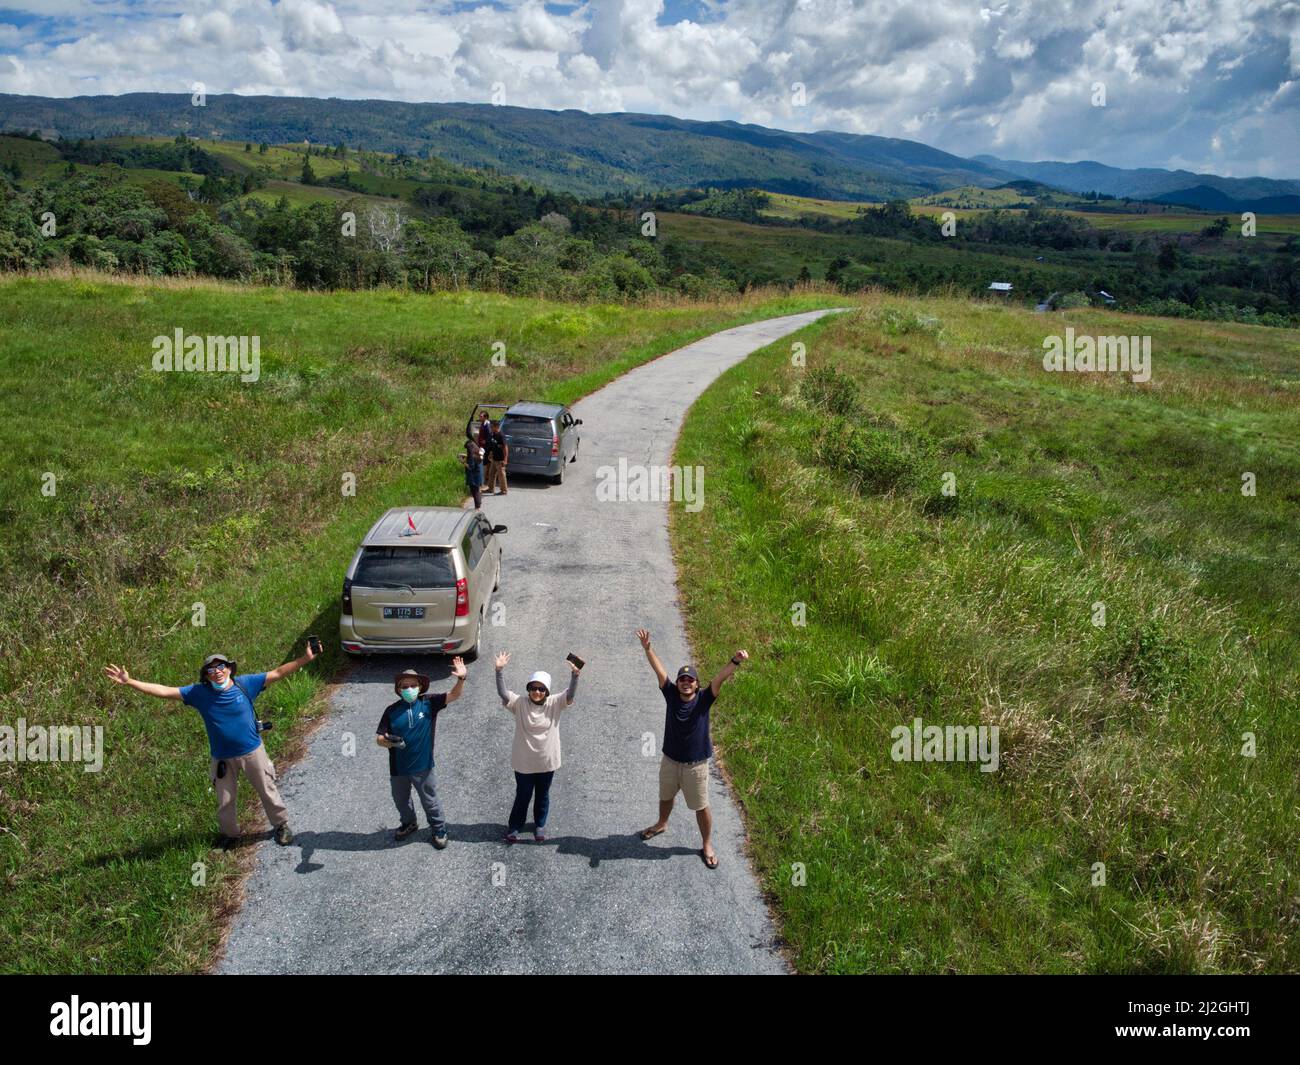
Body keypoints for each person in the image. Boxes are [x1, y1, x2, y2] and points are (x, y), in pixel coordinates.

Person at [103, 645, 318, 848]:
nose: (217, 672)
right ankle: (230, 836)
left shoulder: (246, 684)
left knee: (267, 790)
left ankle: (281, 826)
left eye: (221, 666)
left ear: (229, 669)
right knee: (225, 800)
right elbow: (164, 691)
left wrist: (305, 658)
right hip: (222, 757)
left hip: (252, 751)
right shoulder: (199, 694)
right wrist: (130, 682)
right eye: (211, 669)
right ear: (206, 675)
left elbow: (278, 673)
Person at [634, 629, 747, 869]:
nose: (686, 683)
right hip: (670, 760)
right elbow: (659, 670)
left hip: (695, 766)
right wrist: (648, 648)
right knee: (665, 797)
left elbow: (719, 679)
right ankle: (661, 823)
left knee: (700, 805)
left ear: (697, 685)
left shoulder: (705, 698)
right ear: (677, 684)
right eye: (682, 680)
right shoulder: (671, 695)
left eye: (690, 680)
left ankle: (706, 843)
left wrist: (735, 661)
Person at [375, 660, 466, 849]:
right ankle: (409, 823)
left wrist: (462, 678)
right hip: (398, 768)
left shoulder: (429, 703)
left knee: (429, 799)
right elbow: (379, 739)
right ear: (399, 690)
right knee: (401, 800)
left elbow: (455, 695)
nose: (409, 689)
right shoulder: (391, 711)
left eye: (413, 685)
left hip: (423, 766)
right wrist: (390, 741)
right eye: (404, 686)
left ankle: (439, 828)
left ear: (420, 687)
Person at [494, 651, 581, 842]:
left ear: (547, 692)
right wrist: (499, 671)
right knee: (522, 795)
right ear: (528, 689)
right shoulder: (519, 703)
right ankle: (515, 826)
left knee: (543, 794)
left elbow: (571, 694)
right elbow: (503, 693)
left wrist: (575, 675)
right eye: (533, 688)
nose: (537, 692)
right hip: (523, 762)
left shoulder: (555, 703)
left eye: (542, 689)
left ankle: (540, 824)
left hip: (546, 761)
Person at [460, 437, 485, 509]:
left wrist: (463, 462)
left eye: (467, 449)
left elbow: (470, 466)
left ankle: (477, 508)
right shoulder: (478, 451)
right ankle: (478, 504)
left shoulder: (471, 455)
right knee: (477, 489)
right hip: (479, 474)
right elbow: (473, 457)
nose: (467, 450)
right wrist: (466, 456)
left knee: (474, 491)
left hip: (474, 476)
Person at [486, 420, 509, 495]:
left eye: (492, 427)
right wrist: (490, 453)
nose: (490, 428)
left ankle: (504, 490)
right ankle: (490, 489)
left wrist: (505, 459)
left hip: (500, 459)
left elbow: (505, 447)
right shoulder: (493, 434)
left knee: (501, 475)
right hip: (494, 459)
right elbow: (493, 445)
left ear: (496, 427)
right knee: (491, 474)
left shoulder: (501, 435)